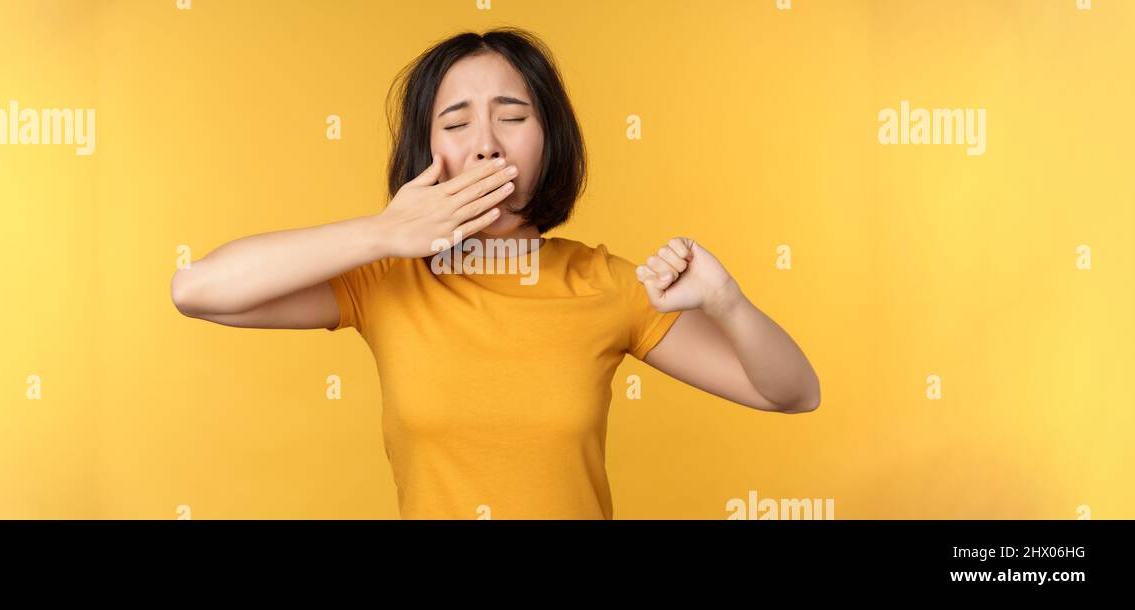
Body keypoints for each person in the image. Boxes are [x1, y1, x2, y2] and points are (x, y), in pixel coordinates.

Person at [170, 27, 820, 519]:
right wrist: (385, 232)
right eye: (457, 122)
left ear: (550, 141)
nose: (486, 144)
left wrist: (729, 303)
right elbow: (196, 289)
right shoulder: (384, 280)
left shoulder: (608, 284)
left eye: (512, 117)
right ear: (429, 152)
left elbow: (793, 392)